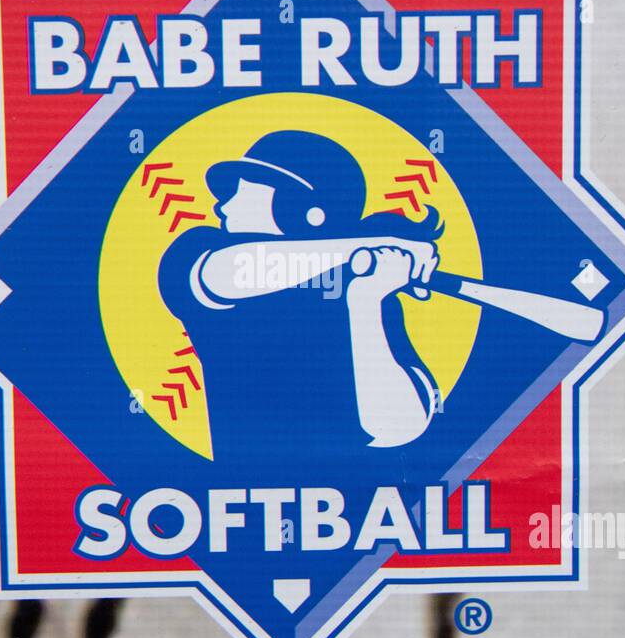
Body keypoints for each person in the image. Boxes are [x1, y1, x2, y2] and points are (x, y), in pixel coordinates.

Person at [158, 130, 443, 462]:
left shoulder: (368, 292)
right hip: (242, 488)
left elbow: (399, 428)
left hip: (359, 498)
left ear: (305, 211)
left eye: (245, 191)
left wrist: (365, 303)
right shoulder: (199, 250)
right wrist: (362, 248)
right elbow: (231, 271)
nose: (224, 203)